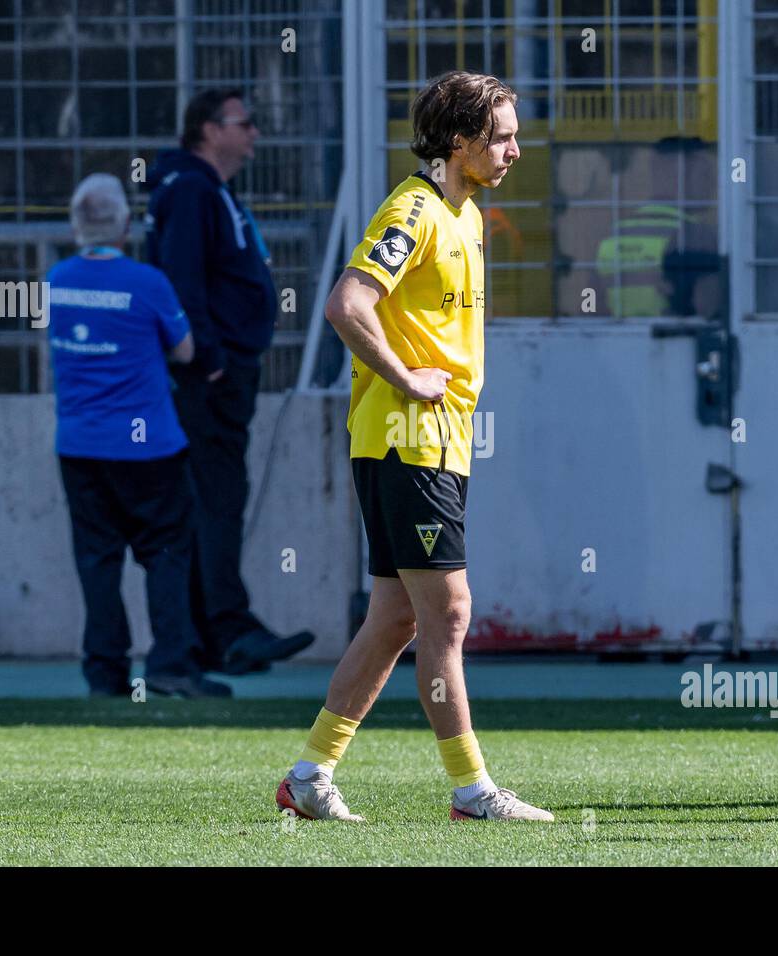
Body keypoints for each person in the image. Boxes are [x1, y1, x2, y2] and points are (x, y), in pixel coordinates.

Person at [274, 71, 552, 823]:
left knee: (396, 617)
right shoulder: (416, 210)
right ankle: (472, 791)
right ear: (458, 143)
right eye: (501, 136)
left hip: (436, 441)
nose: (515, 150)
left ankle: (308, 777)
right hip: (407, 438)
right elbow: (346, 303)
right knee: (449, 613)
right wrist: (403, 375)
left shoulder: (462, 213)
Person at [145, 89, 314, 676]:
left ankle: (218, 632)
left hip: (222, 371)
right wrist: (208, 357)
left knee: (217, 498)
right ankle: (225, 628)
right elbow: (181, 279)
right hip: (209, 377)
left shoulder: (206, 188)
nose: (255, 134)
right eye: (245, 123)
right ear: (210, 130)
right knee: (215, 499)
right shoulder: (192, 189)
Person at [49, 173, 230, 699]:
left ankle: (103, 672)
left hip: (79, 445)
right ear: (126, 226)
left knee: (97, 561)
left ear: (75, 225)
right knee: (167, 555)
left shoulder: (56, 281)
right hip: (149, 446)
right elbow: (187, 351)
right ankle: (171, 663)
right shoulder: (147, 283)